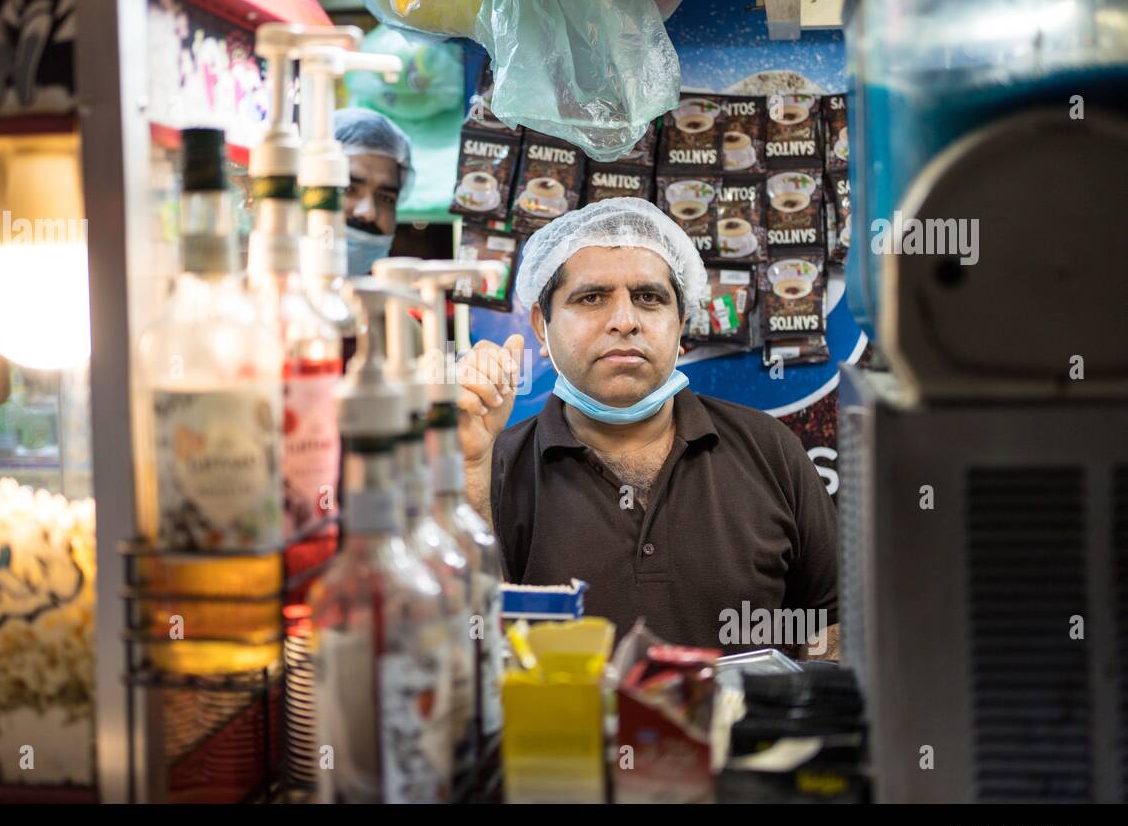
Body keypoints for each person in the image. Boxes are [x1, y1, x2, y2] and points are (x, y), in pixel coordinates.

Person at [457, 198, 839, 657]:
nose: (624, 321)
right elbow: (468, 641)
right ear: (542, 325)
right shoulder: (494, 466)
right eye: (592, 297)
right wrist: (470, 473)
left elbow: (835, 620)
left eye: (649, 298)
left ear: (681, 324)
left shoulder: (769, 449)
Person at [333, 107, 413, 276]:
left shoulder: (398, 301)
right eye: (348, 189)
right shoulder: (268, 297)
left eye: (386, 199)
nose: (368, 213)